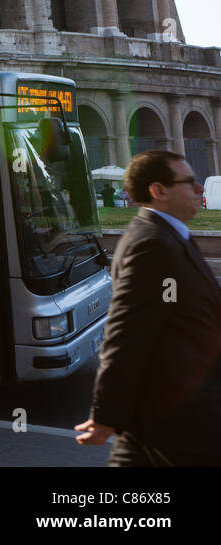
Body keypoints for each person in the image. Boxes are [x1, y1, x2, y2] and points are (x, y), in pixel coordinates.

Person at [76, 150, 221, 465]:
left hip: (174, 421)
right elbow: (127, 334)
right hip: (175, 424)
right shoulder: (153, 244)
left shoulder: (169, 235)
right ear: (159, 191)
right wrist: (104, 415)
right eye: (190, 181)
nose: (199, 189)